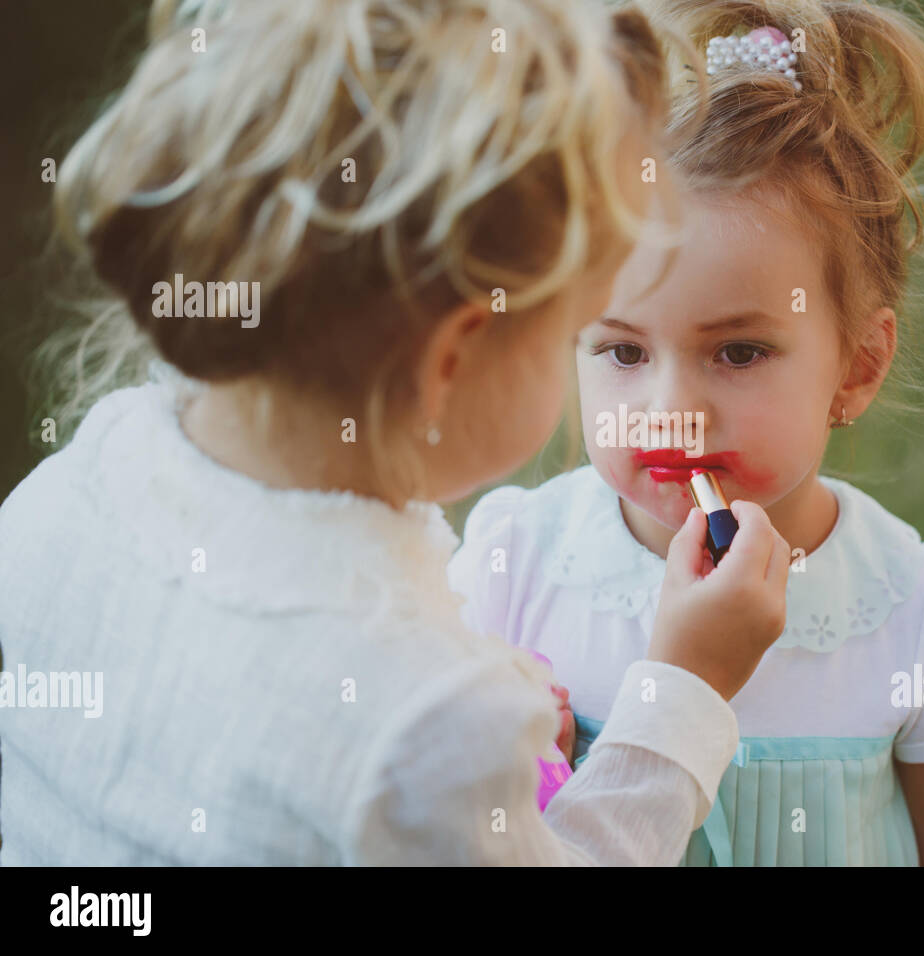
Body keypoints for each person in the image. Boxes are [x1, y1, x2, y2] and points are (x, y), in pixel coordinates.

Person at [0, 0, 791, 865]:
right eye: (593, 326)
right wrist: (683, 689)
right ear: (453, 353)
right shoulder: (429, 723)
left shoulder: (71, 489)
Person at [448, 0, 924, 865]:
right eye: (623, 350)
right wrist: (525, 770)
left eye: (739, 351)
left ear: (857, 365)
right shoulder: (512, 562)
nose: (673, 408)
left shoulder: (918, 607)